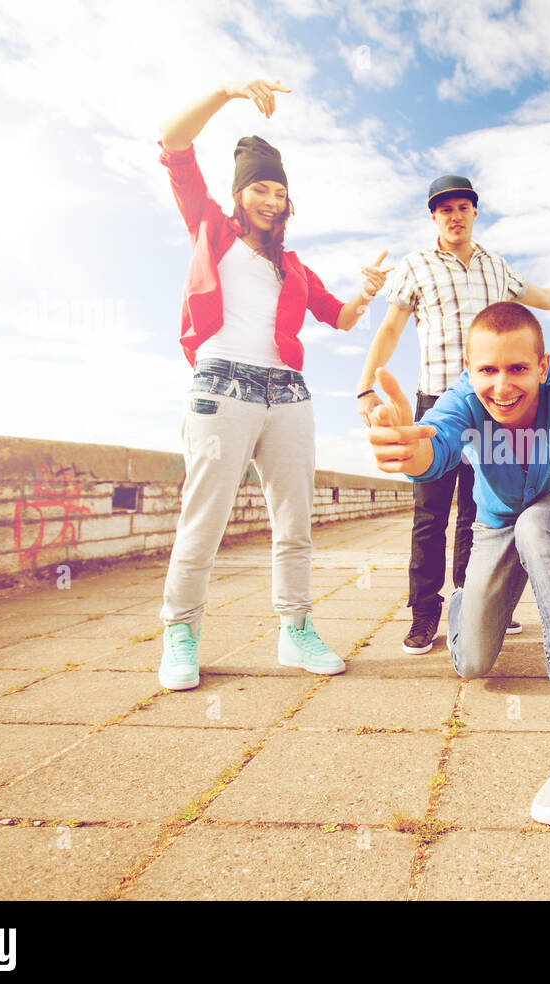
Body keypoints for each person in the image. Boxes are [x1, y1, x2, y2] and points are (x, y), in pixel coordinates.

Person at [155, 78, 389, 690]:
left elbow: (339, 318)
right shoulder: (210, 227)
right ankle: (180, 634)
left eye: (280, 191)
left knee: (295, 526)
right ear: (238, 195)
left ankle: (295, 630)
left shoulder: (296, 267)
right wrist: (228, 90)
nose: (271, 199)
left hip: (288, 395)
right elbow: (174, 143)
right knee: (202, 521)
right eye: (259, 188)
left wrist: (366, 289)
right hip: (221, 387)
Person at [365, 301, 550, 826]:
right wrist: (408, 449)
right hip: (494, 525)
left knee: (538, 526)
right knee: (473, 664)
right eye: (487, 370)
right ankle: (468, 603)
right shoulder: (462, 400)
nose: (502, 386)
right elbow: (433, 447)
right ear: (470, 370)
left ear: (540, 365)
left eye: (517, 369)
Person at [354, 175, 550, 655]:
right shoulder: (416, 267)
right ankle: (425, 612)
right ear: (434, 217)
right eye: (443, 209)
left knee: (478, 512)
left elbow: (541, 298)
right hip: (439, 405)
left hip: (498, 405)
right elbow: (390, 329)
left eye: (462, 207)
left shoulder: (496, 266)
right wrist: (366, 385)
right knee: (430, 514)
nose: (454, 215)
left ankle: (479, 601)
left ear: (474, 212)